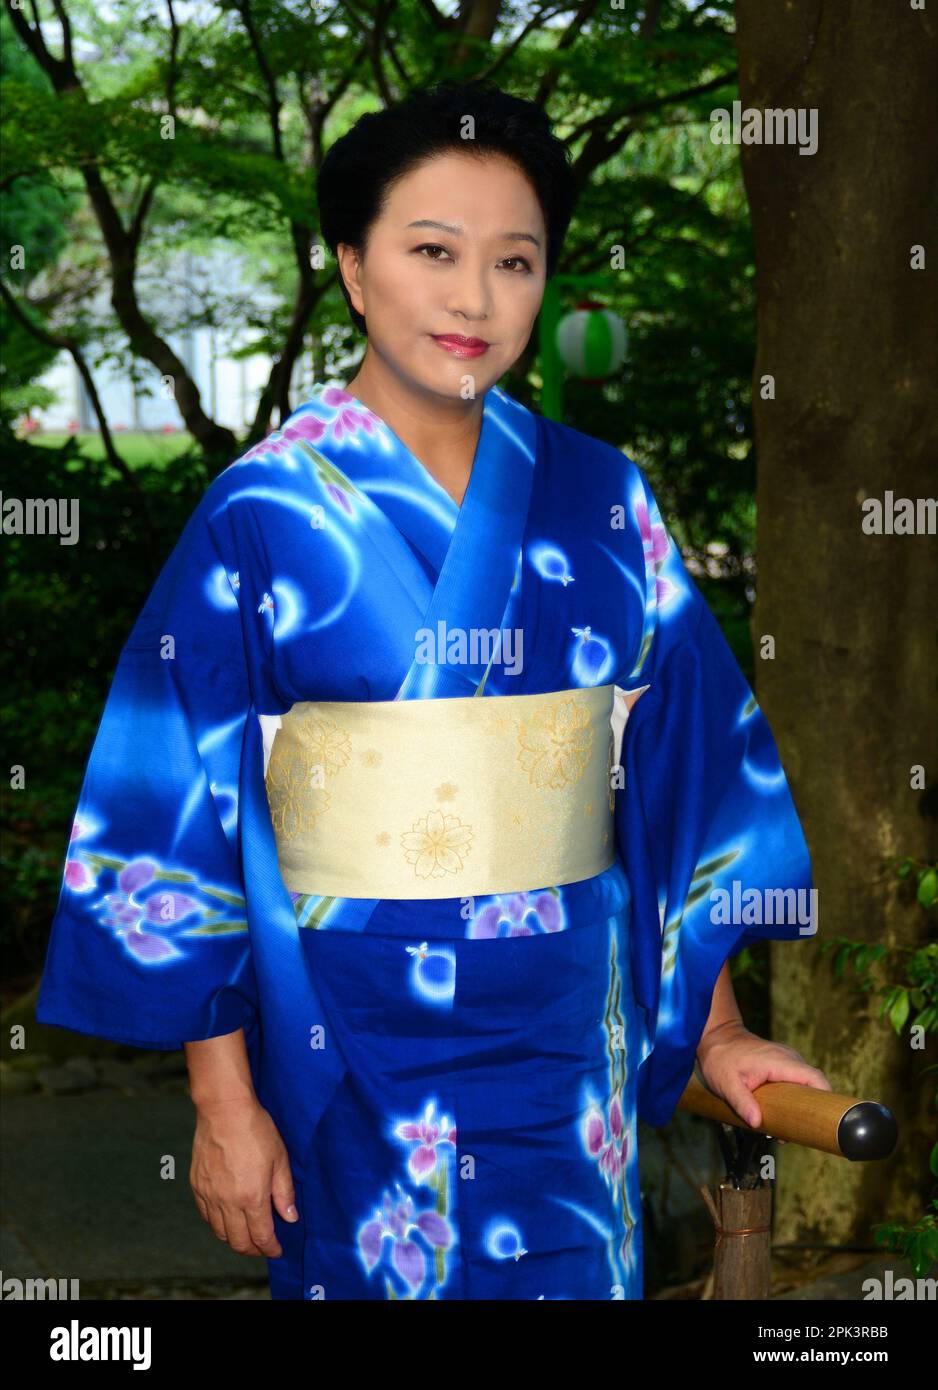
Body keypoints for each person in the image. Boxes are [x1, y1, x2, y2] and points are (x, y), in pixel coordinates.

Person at [35, 80, 830, 1302]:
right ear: (353, 268)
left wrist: (715, 1028)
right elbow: (178, 802)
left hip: (568, 1047)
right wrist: (220, 1098)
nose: (473, 297)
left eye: (514, 260)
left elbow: (684, 777)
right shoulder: (263, 511)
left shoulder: (607, 497)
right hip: (343, 1041)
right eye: (431, 251)